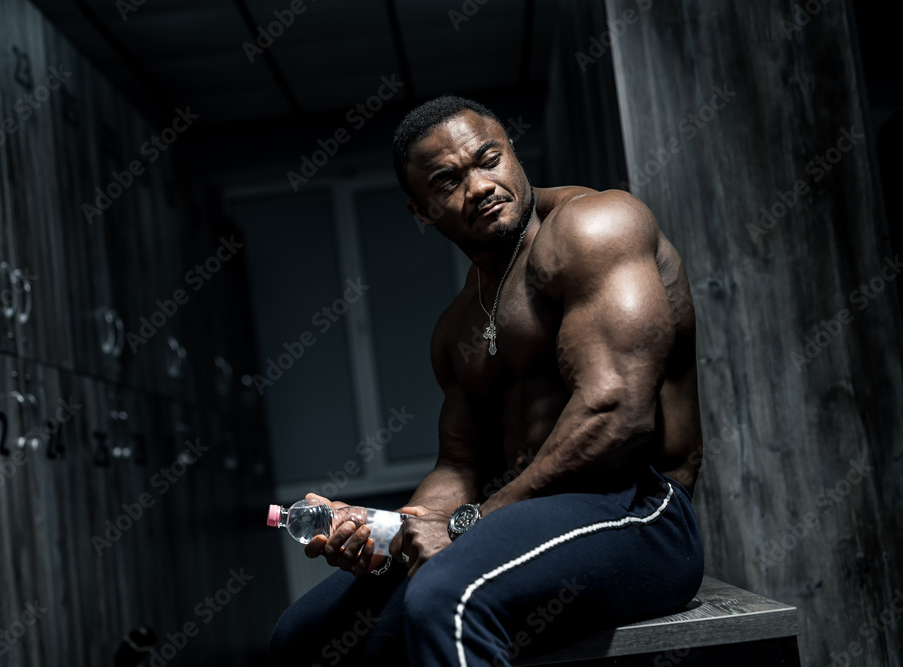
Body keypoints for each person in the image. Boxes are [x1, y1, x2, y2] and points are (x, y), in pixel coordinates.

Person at [268, 95, 704, 667]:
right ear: (420, 211)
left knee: (447, 597)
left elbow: (615, 414)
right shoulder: (456, 328)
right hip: (515, 521)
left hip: (640, 514)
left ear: (512, 152)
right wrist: (399, 532)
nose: (478, 187)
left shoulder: (596, 226)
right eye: (448, 181)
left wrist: (470, 524)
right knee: (302, 638)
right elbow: (459, 467)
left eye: (488, 159)